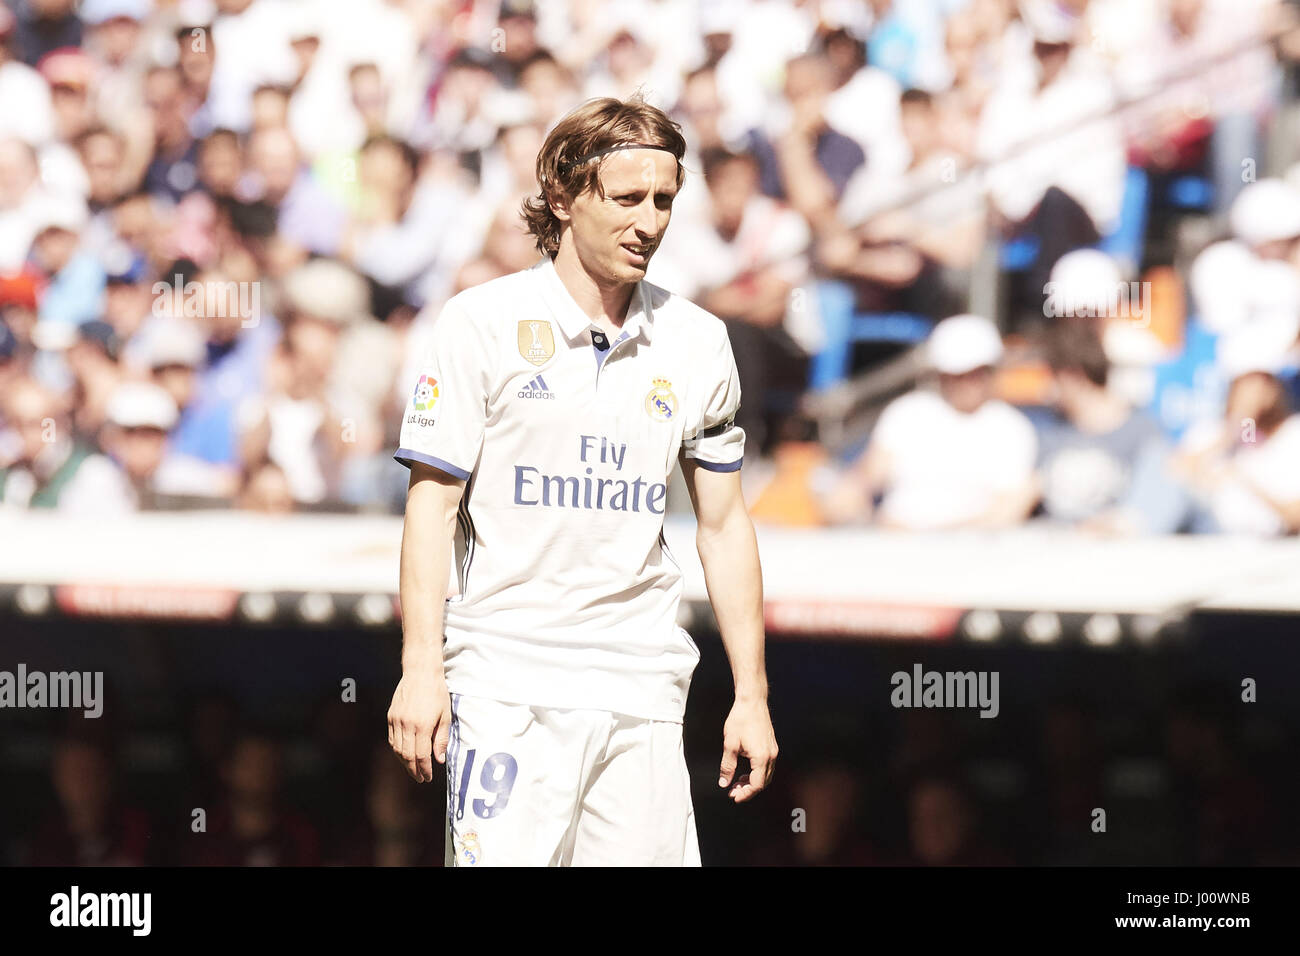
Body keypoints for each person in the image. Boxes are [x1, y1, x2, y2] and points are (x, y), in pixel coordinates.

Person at [386, 96, 776, 867]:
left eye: (665, 200)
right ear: (562, 197)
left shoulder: (699, 343)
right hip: (506, 681)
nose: (651, 222)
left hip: (641, 684)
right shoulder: (480, 323)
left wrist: (752, 695)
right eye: (628, 198)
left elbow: (725, 527)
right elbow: (431, 508)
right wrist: (420, 668)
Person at [827, 313, 1039, 530]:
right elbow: (866, 476)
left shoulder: (1011, 428)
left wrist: (935, 535)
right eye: (956, 374)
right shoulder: (908, 413)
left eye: (975, 373)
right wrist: (850, 499)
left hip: (972, 549)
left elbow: (1010, 508)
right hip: (893, 544)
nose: (965, 383)